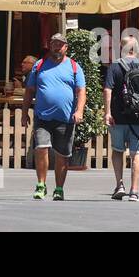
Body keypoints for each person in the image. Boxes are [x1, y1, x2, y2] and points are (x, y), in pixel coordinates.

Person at [23, 32, 87, 201]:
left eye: (60, 44)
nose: (57, 47)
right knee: (41, 148)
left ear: (66, 47)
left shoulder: (74, 67)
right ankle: (41, 185)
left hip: (65, 118)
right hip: (42, 117)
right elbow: (29, 91)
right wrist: (24, 113)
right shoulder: (39, 65)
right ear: (49, 46)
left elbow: (81, 91)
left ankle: (59, 188)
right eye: (54, 44)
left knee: (62, 155)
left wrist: (79, 110)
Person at [104, 35, 139, 202]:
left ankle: (119, 184)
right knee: (137, 153)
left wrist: (107, 112)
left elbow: (108, 90)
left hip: (118, 116)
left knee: (118, 151)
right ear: (137, 49)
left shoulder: (115, 66)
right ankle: (134, 191)